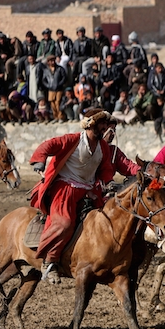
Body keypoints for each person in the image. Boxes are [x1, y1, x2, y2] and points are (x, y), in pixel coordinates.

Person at [29, 108, 139, 284]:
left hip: (89, 190)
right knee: (64, 223)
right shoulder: (73, 140)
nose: (106, 128)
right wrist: (39, 162)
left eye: (107, 125)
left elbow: (106, 170)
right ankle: (49, 261)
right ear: (91, 124)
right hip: (65, 187)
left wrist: (105, 182)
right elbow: (48, 145)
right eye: (103, 124)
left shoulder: (104, 147)